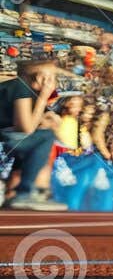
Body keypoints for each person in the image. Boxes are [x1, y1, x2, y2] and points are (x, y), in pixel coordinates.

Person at [0, 59, 68, 210]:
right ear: (40, 78)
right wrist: (44, 97)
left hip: (6, 138)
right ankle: (24, 193)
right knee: (45, 137)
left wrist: (45, 119)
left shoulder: (24, 90)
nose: (54, 82)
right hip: (4, 141)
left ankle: (15, 192)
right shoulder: (21, 87)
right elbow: (26, 129)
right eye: (51, 77)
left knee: (42, 136)